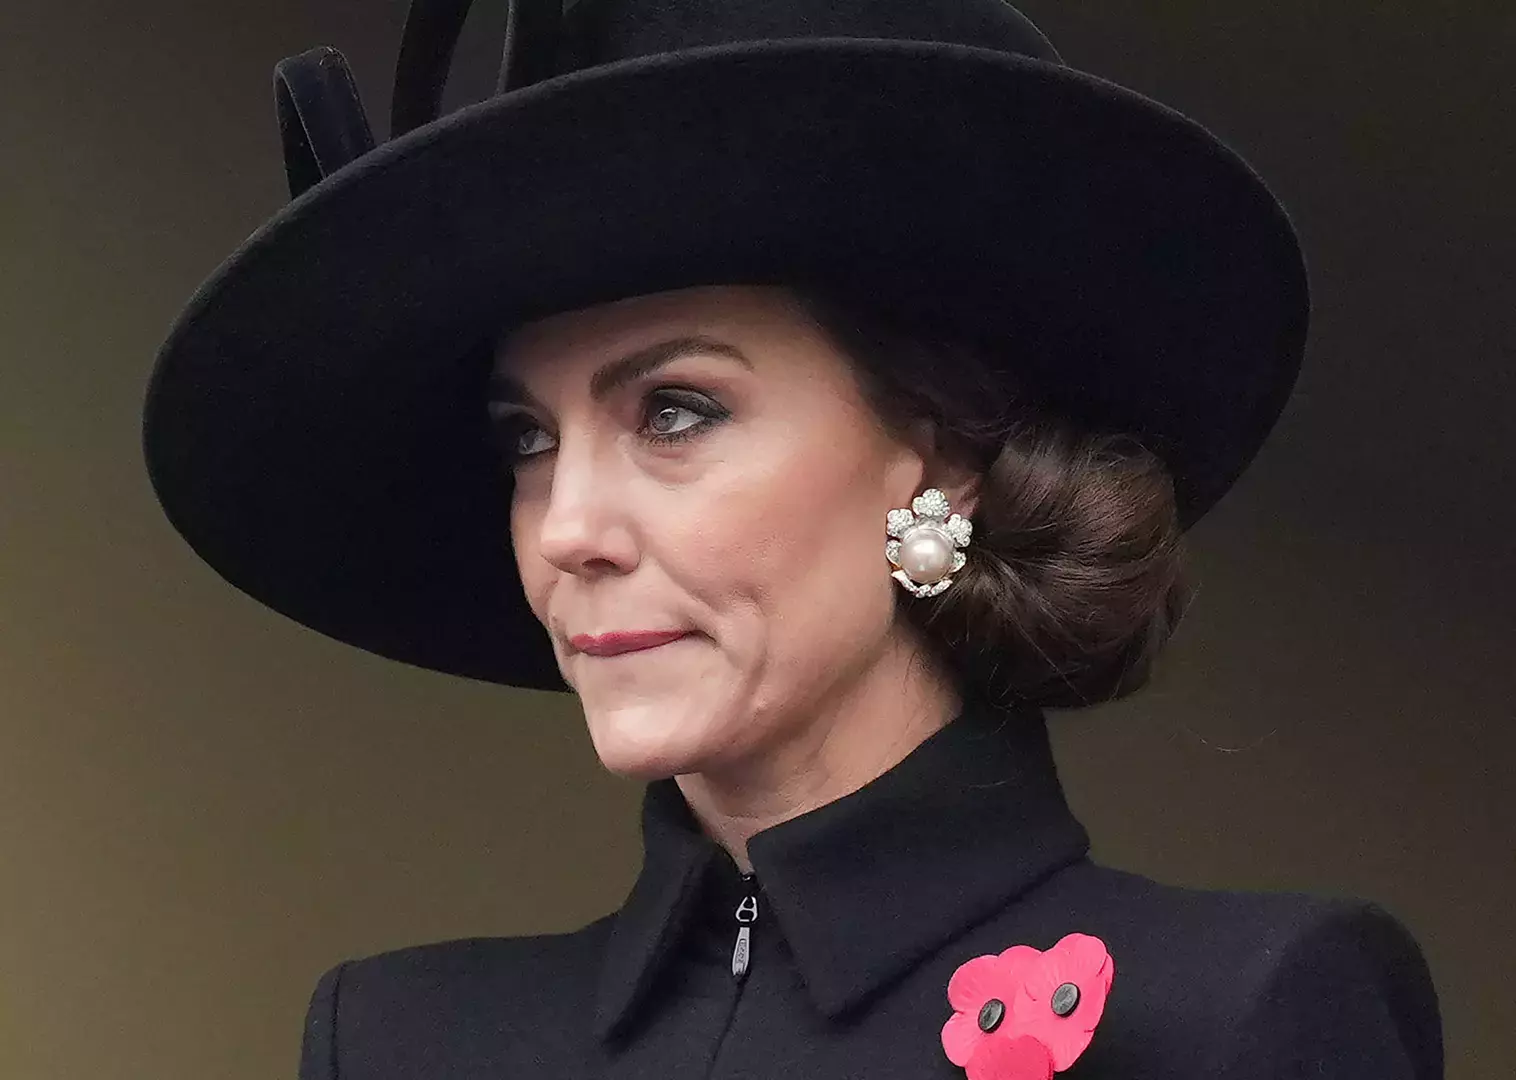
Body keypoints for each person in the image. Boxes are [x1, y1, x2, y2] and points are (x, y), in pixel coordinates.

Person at [140, 1, 1444, 1077]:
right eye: (527, 439)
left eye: (676, 410)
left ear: (940, 455)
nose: (567, 529)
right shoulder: (399, 1042)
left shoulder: (1238, 1018)